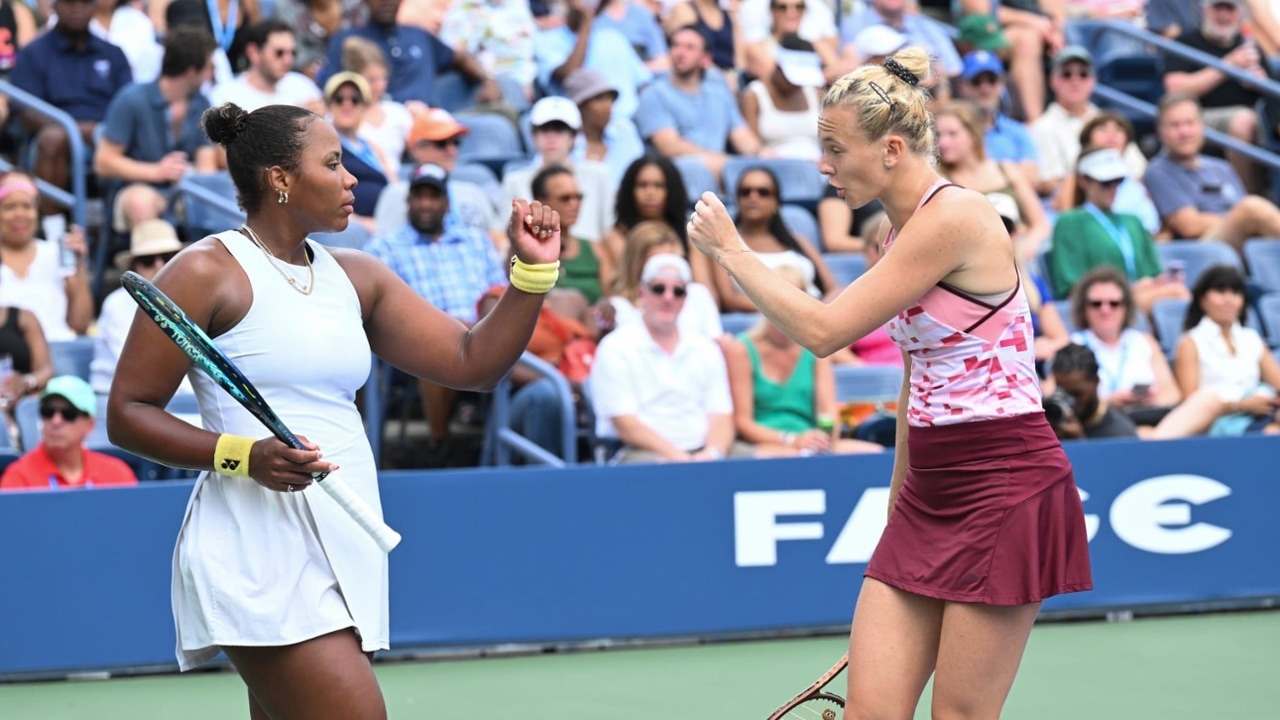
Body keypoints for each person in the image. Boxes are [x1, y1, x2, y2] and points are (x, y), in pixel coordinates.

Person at [106, 101, 560, 717]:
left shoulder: (358, 276)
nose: (352, 179)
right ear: (280, 179)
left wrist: (530, 276)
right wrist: (242, 456)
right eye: (334, 163)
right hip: (255, 546)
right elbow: (128, 411)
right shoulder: (206, 271)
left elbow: (472, 361)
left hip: (345, 534)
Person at [686, 47, 1092, 718]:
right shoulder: (901, 235)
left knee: (958, 715)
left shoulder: (957, 218)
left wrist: (732, 251)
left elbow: (822, 332)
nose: (823, 165)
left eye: (835, 148)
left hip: (1004, 483)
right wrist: (898, 503)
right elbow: (916, 380)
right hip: (928, 496)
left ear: (892, 149)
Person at [723, 264, 884, 455]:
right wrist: (791, 440)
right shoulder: (741, 349)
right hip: (765, 445)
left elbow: (827, 409)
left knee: (875, 452)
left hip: (808, 440)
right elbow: (743, 423)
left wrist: (823, 437)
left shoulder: (815, 348)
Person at [1048, 147, 1190, 312]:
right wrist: (1130, 290)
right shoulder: (1070, 222)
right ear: (1083, 182)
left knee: (1177, 290)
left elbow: (1153, 274)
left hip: (1135, 300)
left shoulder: (1133, 221)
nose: (1113, 188)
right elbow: (1072, 288)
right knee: (1177, 293)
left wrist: (1162, 281)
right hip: (1101, 305)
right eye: (1106, 183)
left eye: (1119, 181)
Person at [90, 219, 188, 397]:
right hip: (116, 400)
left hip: (173, 399)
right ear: (134, 267)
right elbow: (136, 365)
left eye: (168, 257)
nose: (160, 265)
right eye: (148, 260)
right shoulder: (117, 304)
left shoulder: (190, 298)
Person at [2, 376, 138, 489]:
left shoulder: (117, 475)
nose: (56, 421)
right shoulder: (19, 477)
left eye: (68, 414)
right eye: (48, 412)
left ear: (89, 424)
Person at [1045, 343, 1141, 440]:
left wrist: (1079, 444)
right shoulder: (1046, 420)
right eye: (1061, 392)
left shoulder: (1120, 434)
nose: (1068, 400)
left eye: (1076, 394)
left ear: (1096, 381)